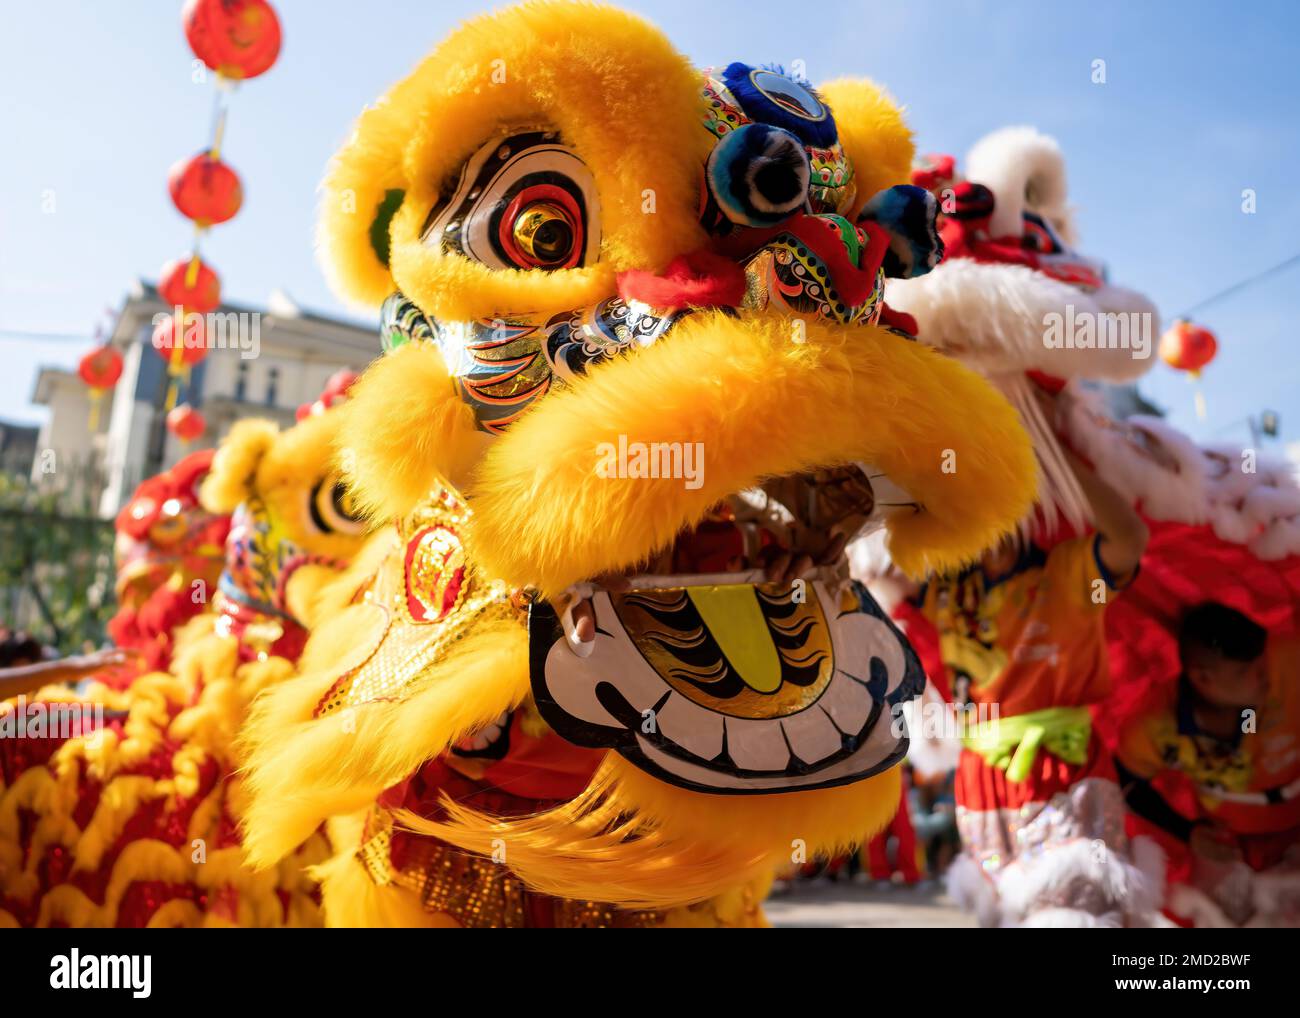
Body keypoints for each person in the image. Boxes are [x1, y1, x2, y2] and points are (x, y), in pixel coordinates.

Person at [918, 445, 1154, 924]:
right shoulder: (944, 589)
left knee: (1078, 906)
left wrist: (1059, 453)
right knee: (1004, 910)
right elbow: (864, 569)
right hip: (980, 773)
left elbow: (1129, 538)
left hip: (1060, 763)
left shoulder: (1068, 571)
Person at [1117, 602, 1300, 924]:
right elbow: (1126, 782)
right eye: (1245, 672)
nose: (1264, 678)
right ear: (1203, 678)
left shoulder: (1286, 660)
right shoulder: (1157, 724)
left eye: (1261, 663)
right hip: (1231, 846)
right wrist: (1188, 833)